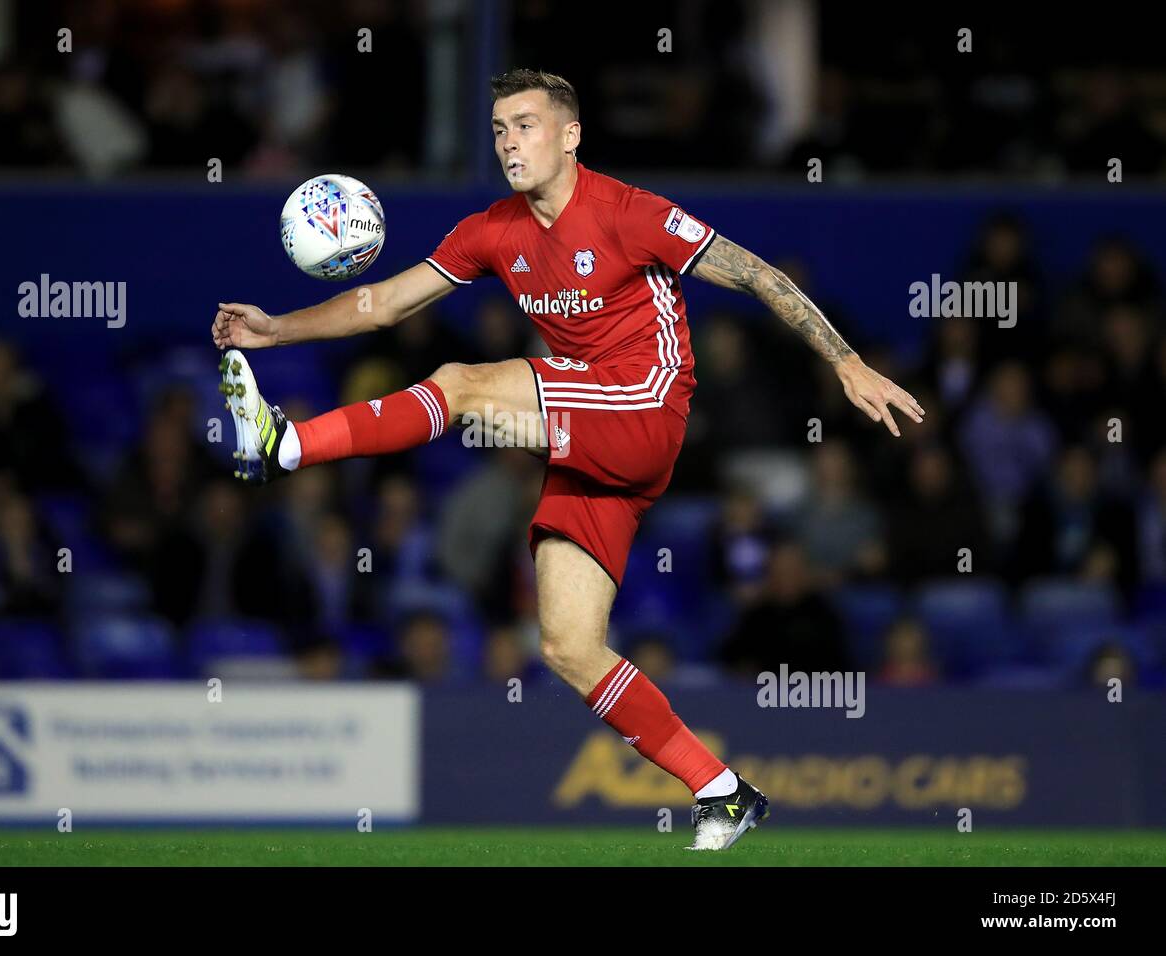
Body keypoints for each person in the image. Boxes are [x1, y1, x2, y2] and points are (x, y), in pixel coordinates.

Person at [210, 69, 923, 850]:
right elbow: (385, 303)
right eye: (497, 129)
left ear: (571, 134)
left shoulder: (629, 212)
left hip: (644, 407)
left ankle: (287, 444)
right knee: (568, 646)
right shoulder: (492, 230)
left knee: (461, 386)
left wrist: (847, 361)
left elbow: (759, 275)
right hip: (588, 436)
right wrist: (277, 331)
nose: (509, 142)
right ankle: (722, 789)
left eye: (525, 124)